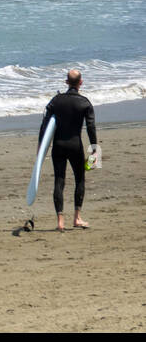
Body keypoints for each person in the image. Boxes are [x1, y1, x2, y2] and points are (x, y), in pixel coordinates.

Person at [40, 69, 98, 231]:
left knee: (59, 180)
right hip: (75, 145)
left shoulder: (56, 101)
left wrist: (41, 148)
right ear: (81, 82)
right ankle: (77, 218)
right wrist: (94, 149)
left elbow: (44, 125)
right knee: (80, 179)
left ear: (66, 82)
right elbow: (91, 127)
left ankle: (60, 222)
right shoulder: (85, 103)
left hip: (58, 146)